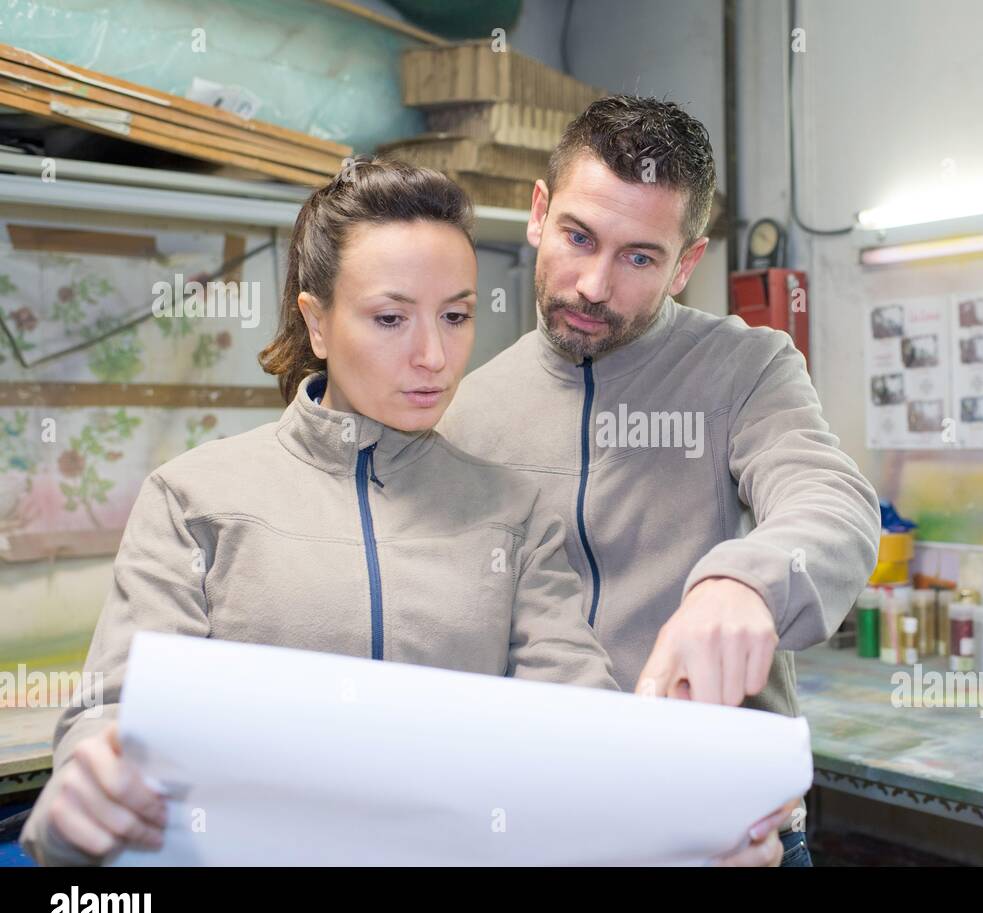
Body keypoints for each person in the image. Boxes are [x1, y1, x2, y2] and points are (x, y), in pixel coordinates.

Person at [20, 161, 788, 867]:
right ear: (317, 323)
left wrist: (690, 827)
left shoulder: (515, 515)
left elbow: (582, 735)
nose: (433, 356)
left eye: (455, 317)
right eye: (391, 319)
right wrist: (75, 804)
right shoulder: (195, 499)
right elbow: (112, 721)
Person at [438, 96, 882, 866]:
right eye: (578, 237)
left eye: (639, 257)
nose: (594, 286)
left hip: (728, 832)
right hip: (545, 827)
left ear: (686, 264)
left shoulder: (748, 368)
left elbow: (830, 504)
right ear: (539, 213)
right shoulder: (465, 406)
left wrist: (745, 583)